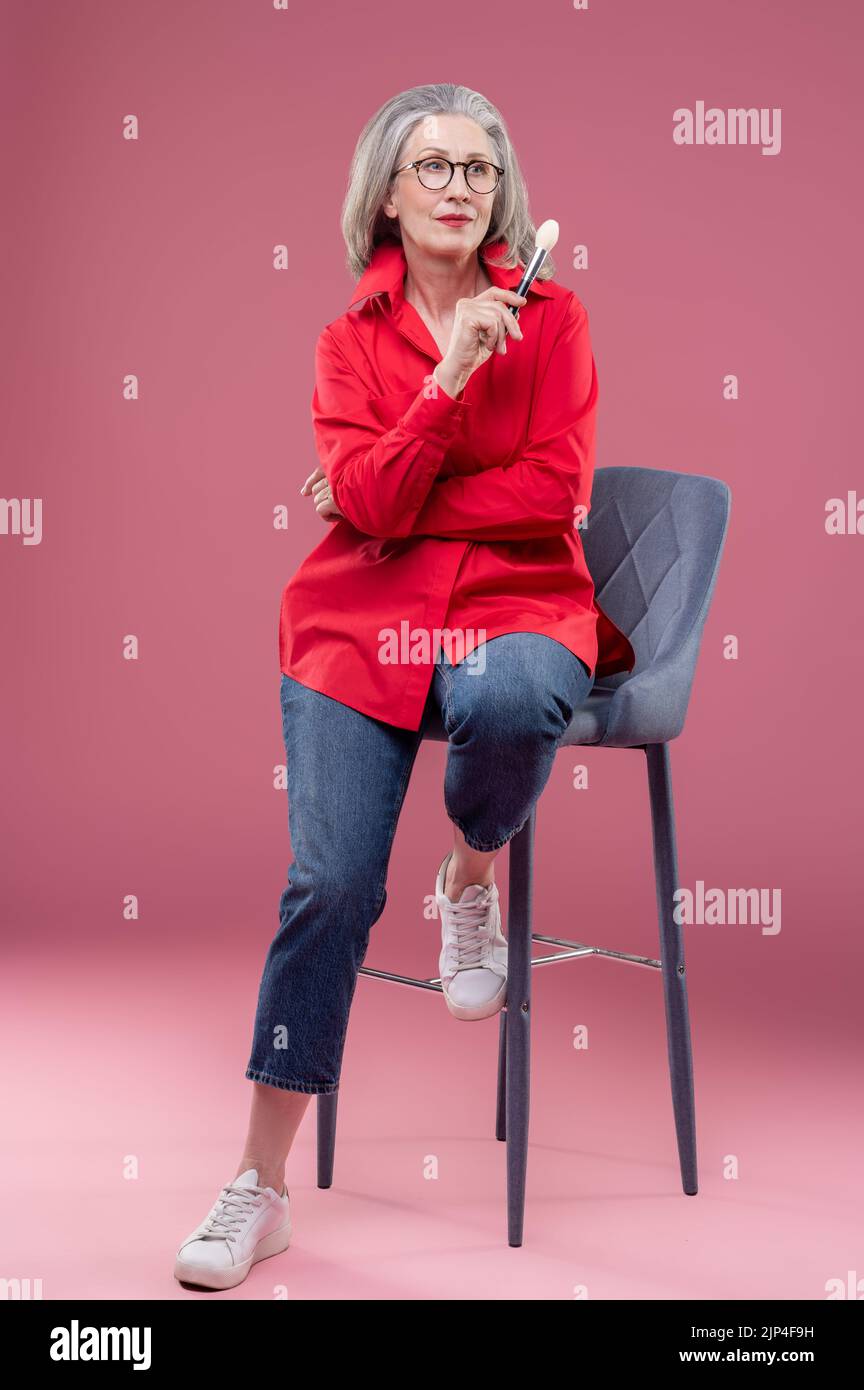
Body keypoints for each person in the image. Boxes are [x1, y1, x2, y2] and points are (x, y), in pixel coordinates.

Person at [174, 82, 635, 1290]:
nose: (457, 189)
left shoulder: (561, 319)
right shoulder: (347, 343)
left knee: (509, 698)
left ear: (503, 195)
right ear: (387, 192)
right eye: (432, 167)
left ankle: (470, 869)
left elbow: (552, 493)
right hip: (354, 625)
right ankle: (259, 1187)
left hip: (522, 606)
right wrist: (442, 388)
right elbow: (365, 512)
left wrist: (393, 490)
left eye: (479, 170)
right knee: (328, 883)